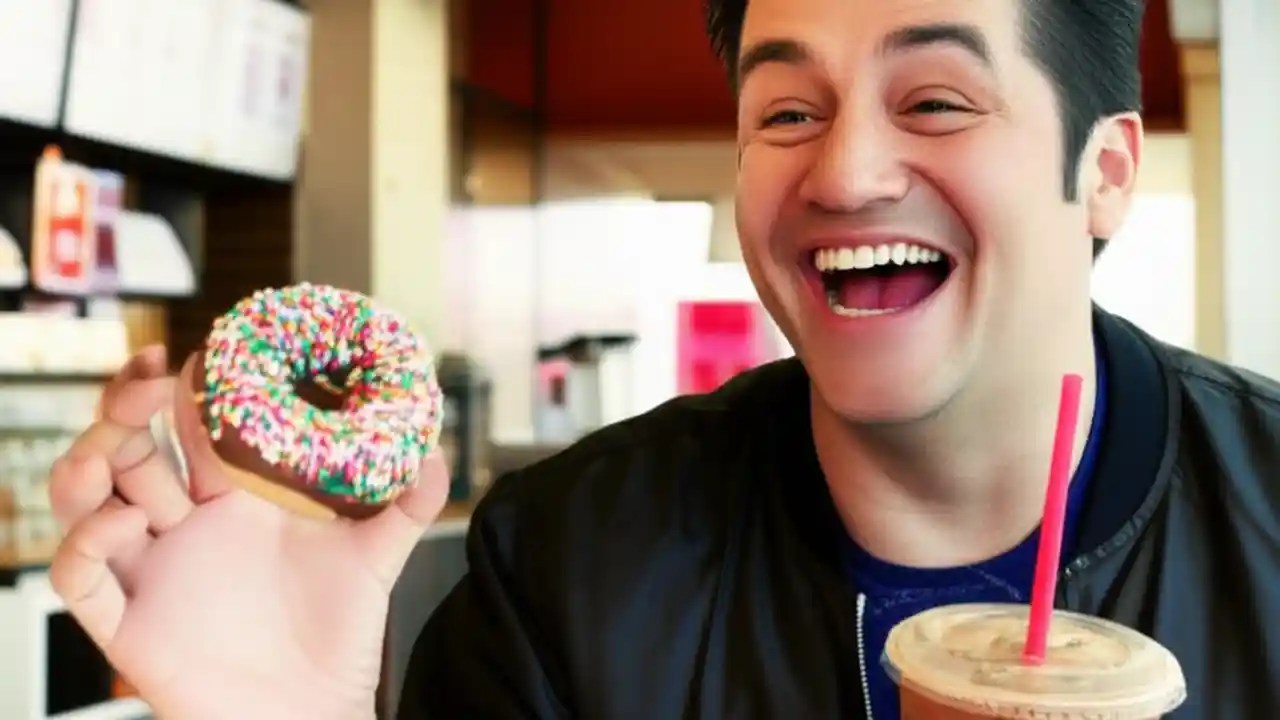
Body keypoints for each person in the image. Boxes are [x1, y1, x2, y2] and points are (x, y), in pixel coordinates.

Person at [48, 0, 1279, 718]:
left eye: (936, 101)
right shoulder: (563, 568)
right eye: (785, 113)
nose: (843, 174)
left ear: (1103, 171)